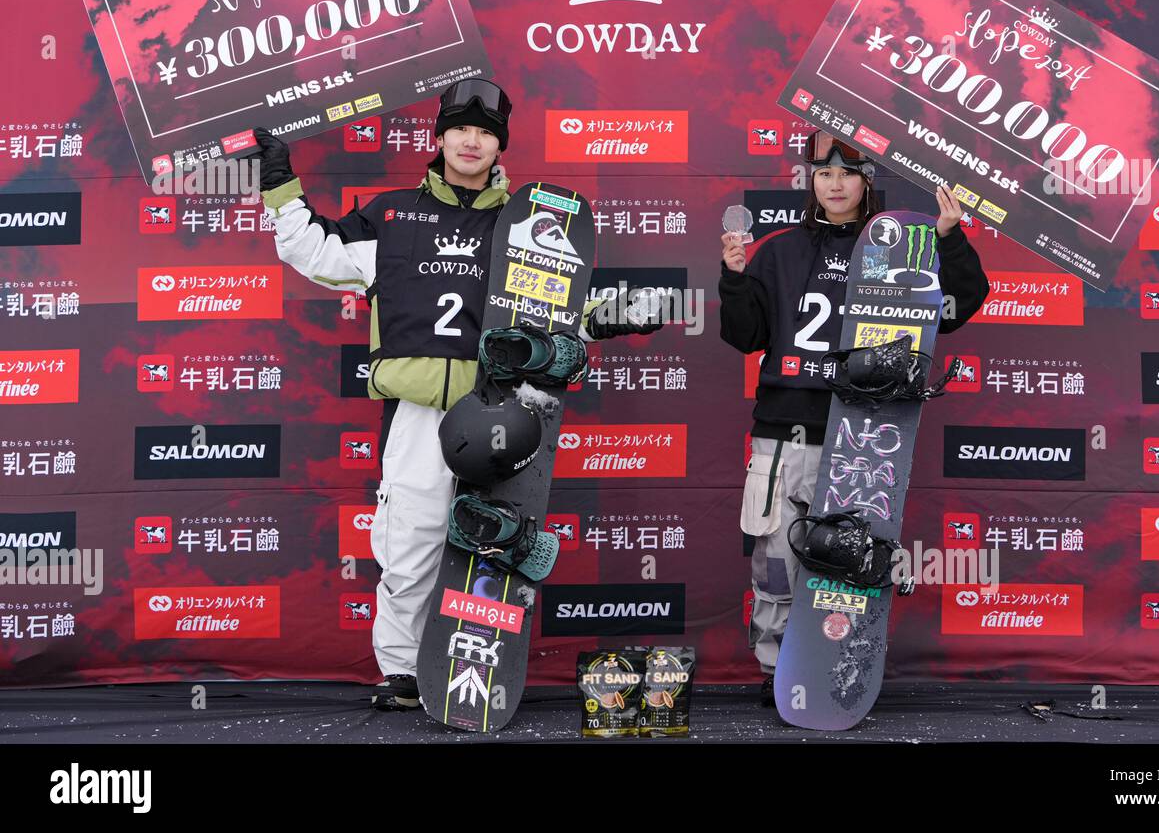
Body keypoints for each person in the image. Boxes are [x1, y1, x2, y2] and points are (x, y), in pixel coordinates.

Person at [250, 78, 659, 710]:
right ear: (437, 138)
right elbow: (317, 253)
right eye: (460, 129)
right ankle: (402, 674)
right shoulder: (390, 214)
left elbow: (559, 316)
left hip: (502, 410)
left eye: (486, 132)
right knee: (409, 543)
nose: (472, 141)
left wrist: (616, 313)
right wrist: (280, 183)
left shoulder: (525, 223)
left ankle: (477, 673)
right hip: (416, 413)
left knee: (492, 544)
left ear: (500, 146)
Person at [718, 131, 990, 706]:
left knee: (849, 559)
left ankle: (838, 668)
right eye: (823, 173)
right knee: (774, 560)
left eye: (847, 172)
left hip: (864, 430)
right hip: (785, 429)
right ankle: (773, 672)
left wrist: (947, 241)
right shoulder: (779, 250)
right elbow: (745, 337)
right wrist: (734, 279)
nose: (834, 183)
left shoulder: (902, 247)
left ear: (867, 179)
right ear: (809, 180)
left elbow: (959, 307)